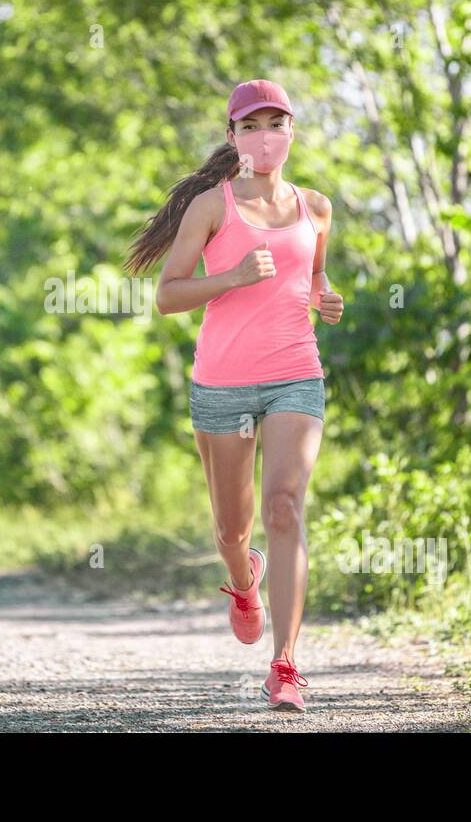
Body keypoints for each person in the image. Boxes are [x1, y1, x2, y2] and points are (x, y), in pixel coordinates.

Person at [124, 79, 344, 712]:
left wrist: (323, 298)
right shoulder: (211, 208)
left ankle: (286, 666)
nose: (264, 136)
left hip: (295, 373)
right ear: (232, 137)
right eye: (250, 126)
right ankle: (241, 581)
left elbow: (315, 272)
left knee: (284, 507)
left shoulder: (317, 207)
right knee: (231, 527)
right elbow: (168, 296)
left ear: (291, 131)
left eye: (275, 123)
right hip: (221, 380)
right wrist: (232, 277)